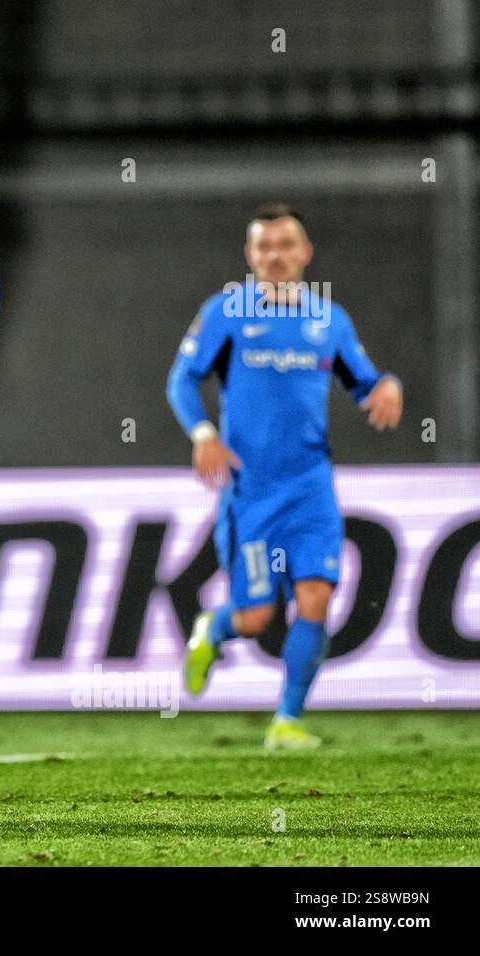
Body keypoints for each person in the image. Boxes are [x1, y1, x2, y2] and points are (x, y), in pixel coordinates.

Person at [166, 204, 403, 749]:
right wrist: (203, 434)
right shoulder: (227, 312)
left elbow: (364, 382)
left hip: (312, 487)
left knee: (316, 595)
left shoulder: (330, 321)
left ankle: (287, 721)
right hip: (252, 492)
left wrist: (384, 386)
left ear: (304, 253)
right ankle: (213, 628)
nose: (275, 255)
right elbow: (182, 380)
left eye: (285, 245)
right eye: (264, 246)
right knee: (255, 617)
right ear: (251, 255)